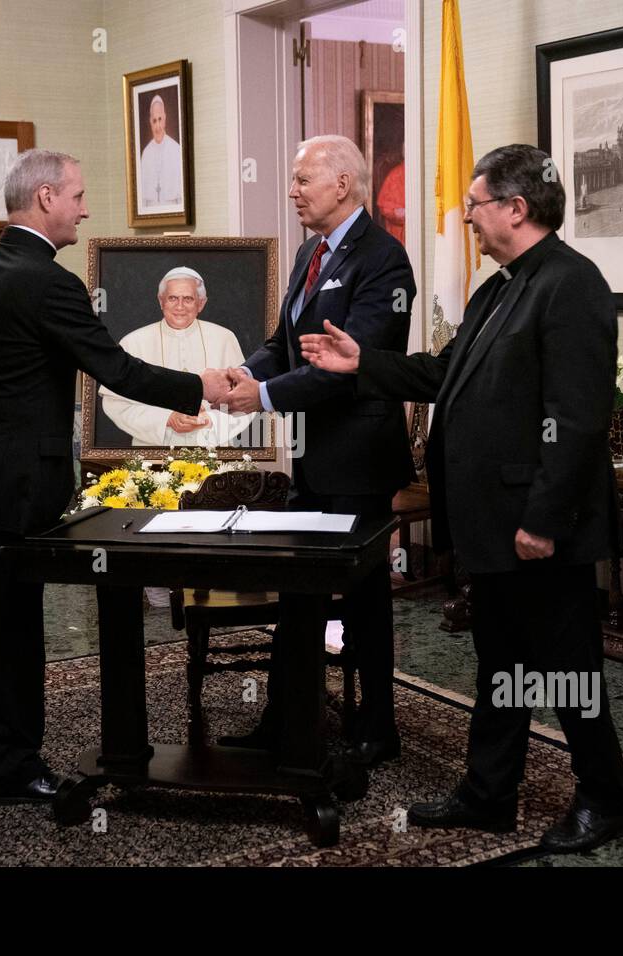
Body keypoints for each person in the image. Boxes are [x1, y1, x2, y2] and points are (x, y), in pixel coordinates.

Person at [300, 144, 623, 853]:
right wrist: (363, 361)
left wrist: (542, 522)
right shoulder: (499, 286)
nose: (469, 221)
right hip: (493, 524)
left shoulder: (571, 285)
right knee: (502, 665)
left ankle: (604, 800)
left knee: (569, 673)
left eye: (475, 206)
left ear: (516, 208)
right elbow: (443, 374)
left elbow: (576, 422)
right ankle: (489, 794)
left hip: (541, 526)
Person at [0, 148, 232, 803]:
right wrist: (198, 384)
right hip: (16, 487)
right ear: (44, 199)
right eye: (78, 195)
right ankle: (11, 765)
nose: (85, 209)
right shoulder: (47, 281)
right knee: (11, 628)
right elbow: (114, 369)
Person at [219, 134, 415, 768]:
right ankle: (286, 718)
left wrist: (265, 397)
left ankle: (377, 728)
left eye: (304, 179)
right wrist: (243, 374)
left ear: (345, 185)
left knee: (363, 600)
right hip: (312, 457)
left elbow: (347, 367)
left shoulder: (385, 261)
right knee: (299, 591)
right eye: (293, 179)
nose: (293, 190)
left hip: (358, 462)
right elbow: (285, 341)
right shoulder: (311, 250)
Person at [100, 267, 253, 447]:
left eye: (188, 299)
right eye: (172, 298)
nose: (180, 306)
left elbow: (246, 399)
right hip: (152, 454)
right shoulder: (134, 341)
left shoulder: (224, 338)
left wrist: (211, 420)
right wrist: (166, 418)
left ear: (201, 303)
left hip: (214, 451)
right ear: (161, 301)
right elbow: (115, 404)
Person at [137, 94, 183, 208]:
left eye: (160, 119)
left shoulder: (176, 150)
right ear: (150, 122)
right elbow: (142, 200)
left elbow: (182, 200)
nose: (157, 126)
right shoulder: (146, 154)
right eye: (154, 120)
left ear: (165, 118)